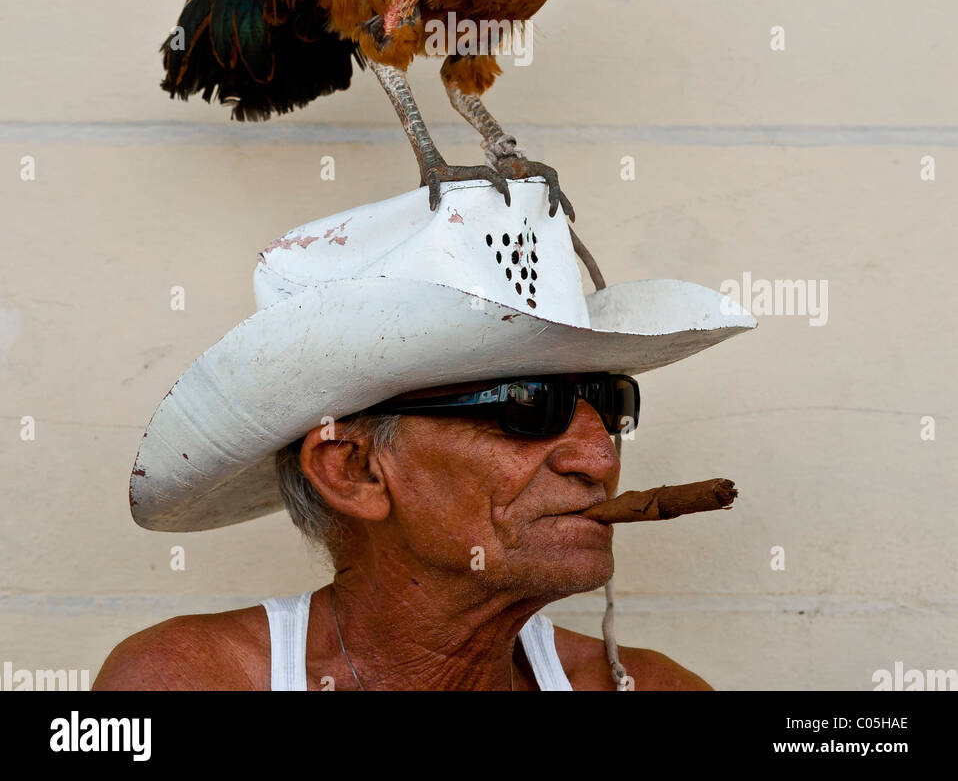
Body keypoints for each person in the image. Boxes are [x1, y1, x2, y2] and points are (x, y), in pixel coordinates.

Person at [95, 181, 753, 691]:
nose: (600, 457)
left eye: (610, 404)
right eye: (528, 406)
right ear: (353, 469)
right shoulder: (186, 681)